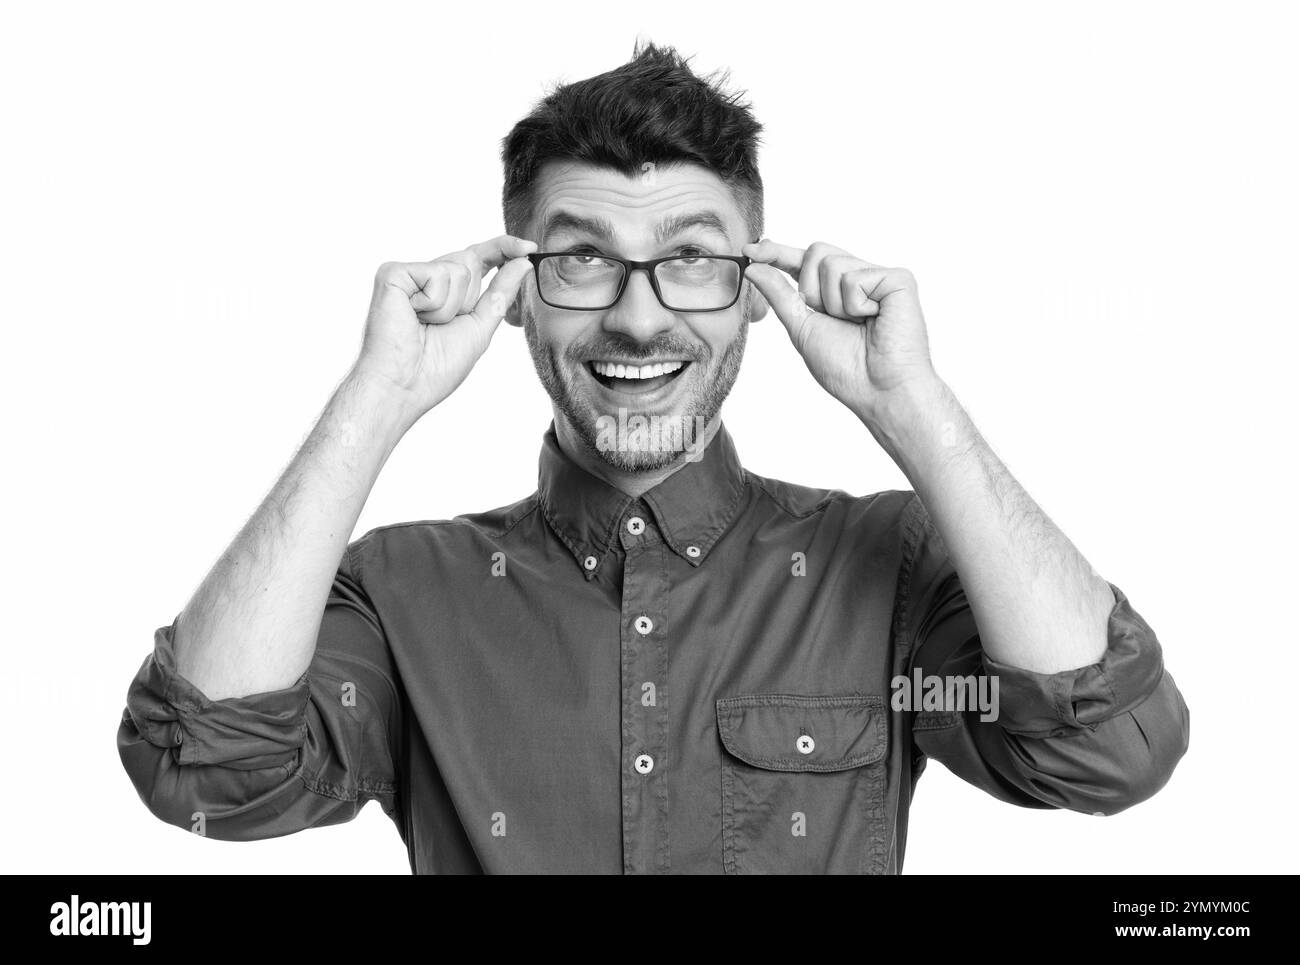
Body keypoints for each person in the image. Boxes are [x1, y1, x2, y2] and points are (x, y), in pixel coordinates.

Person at [117, 41, 1190, 874]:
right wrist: (374, 399)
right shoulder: (398, 593)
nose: (639, 317)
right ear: (516, 292)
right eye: (582, 257)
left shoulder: (888, 565)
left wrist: (912, 407)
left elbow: (1109, 754)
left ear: (754, 290)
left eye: (689, 259)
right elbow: (202, 767)